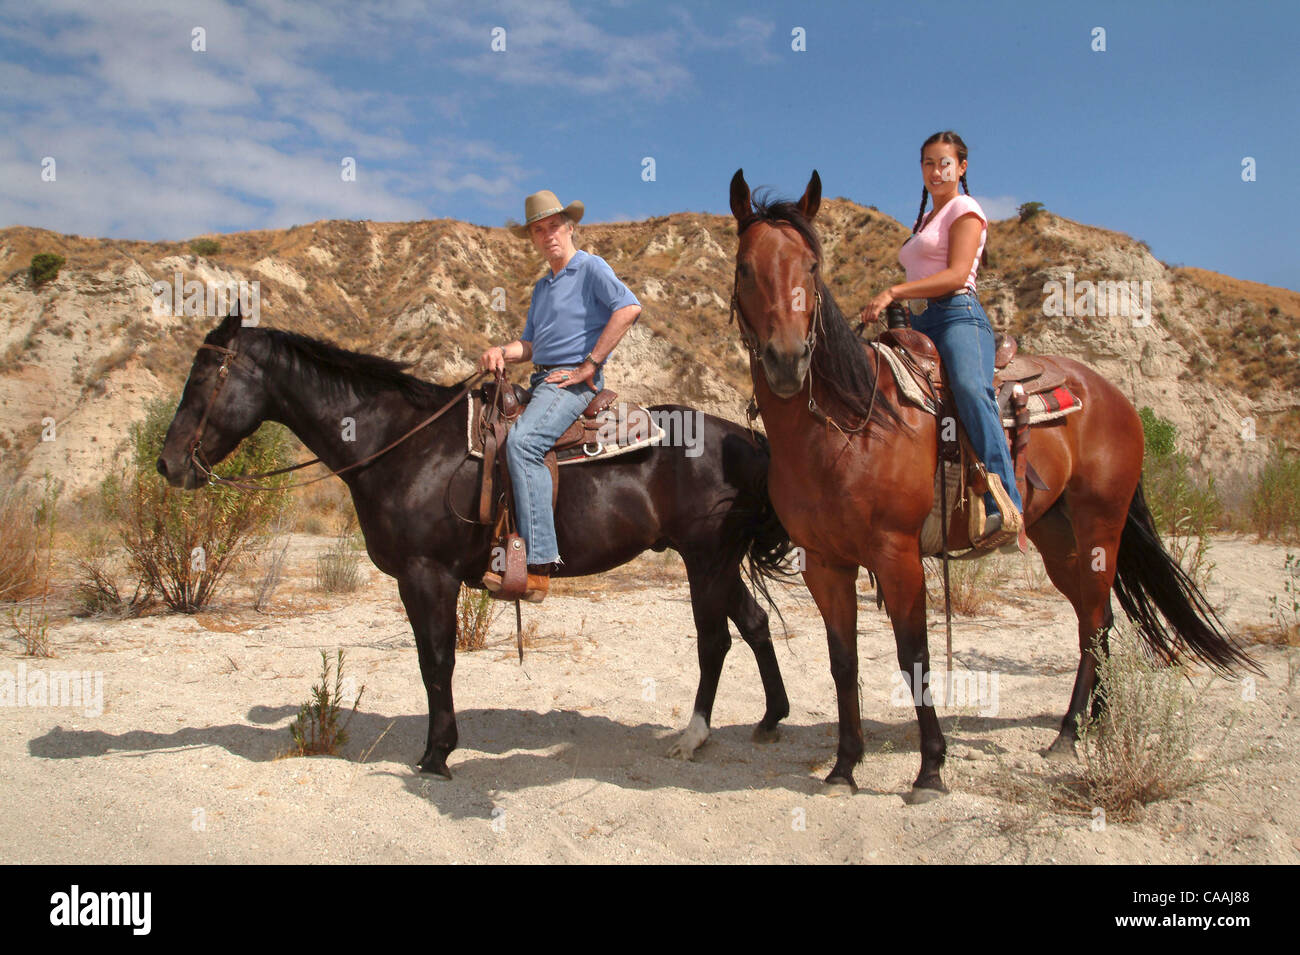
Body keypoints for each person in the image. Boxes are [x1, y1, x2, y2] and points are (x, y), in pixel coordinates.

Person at [860, 130, 1023, 543]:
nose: (936, 171)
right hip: (918, 322)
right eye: (928, 163)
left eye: (944, 163)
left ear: (961, 168)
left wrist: (893, 291)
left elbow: (954, 274)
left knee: (969, 389)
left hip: (957, 316)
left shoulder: (965, 208)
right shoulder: (925, 219)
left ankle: (1004, 503)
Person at [478, 190, 642, 601]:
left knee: (525, 443)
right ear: (533, 238)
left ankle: (538, 563)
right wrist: (501, 351)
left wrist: (590, 364)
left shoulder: (590, 268)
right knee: (493, 433)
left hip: (572, 383)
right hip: (541, 380)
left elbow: (628, 308)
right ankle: (495, 545)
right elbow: (530, 345)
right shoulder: (542, 288)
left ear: (570, 228)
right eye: (539, 230)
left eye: (554, 226)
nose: (548, 234)